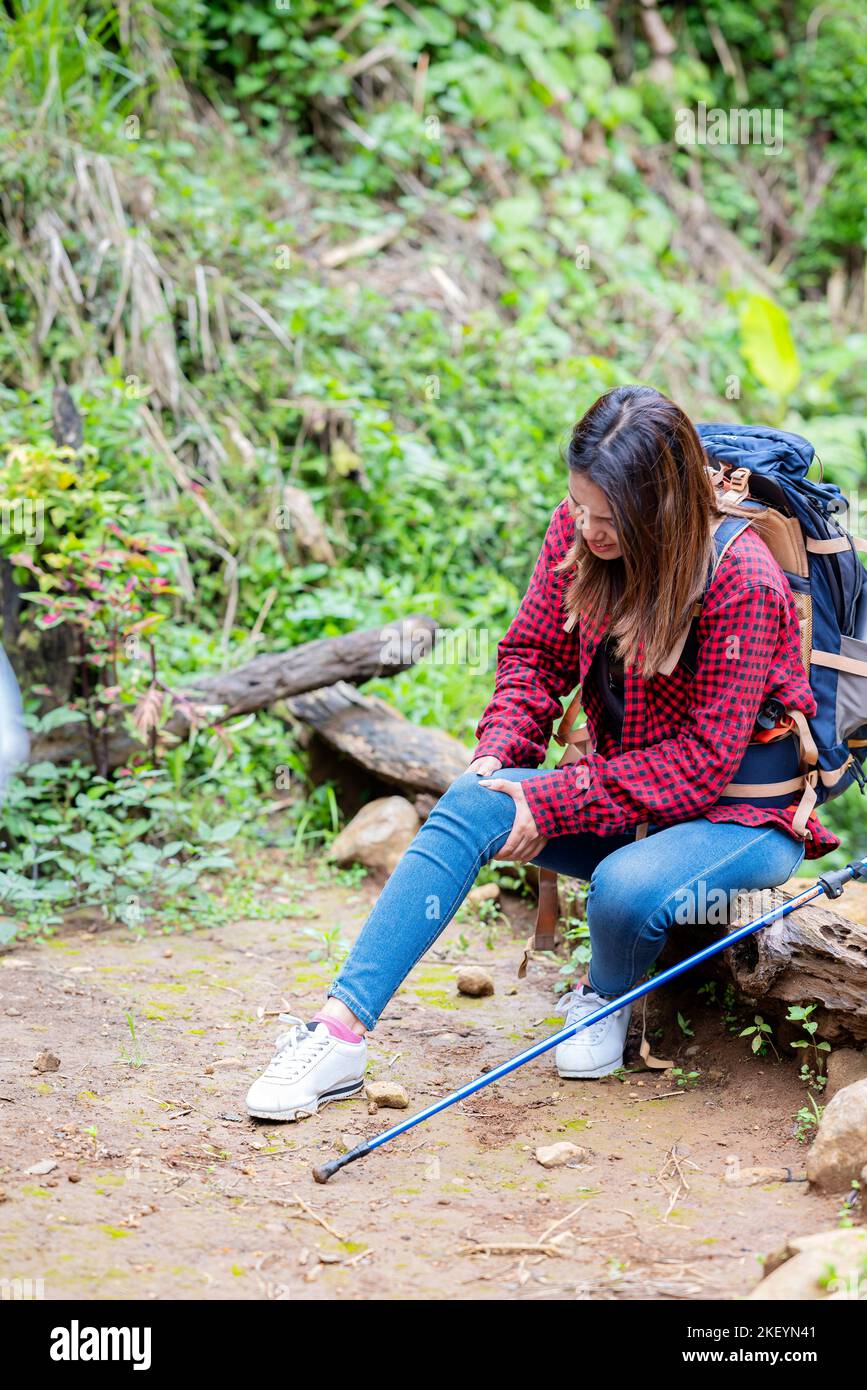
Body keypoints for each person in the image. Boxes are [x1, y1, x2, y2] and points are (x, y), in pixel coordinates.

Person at [245, 384, 837, 1121]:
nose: (586, 529)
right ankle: (337, 1033)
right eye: (579, 507)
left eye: (608, 517)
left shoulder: (740, 580)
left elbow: (700, 764)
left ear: (663, 507)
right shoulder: (581, 529)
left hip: (736, 822)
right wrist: (500, 756)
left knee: (623, 886)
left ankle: (605, 995)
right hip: (627, 795)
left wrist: (548, 797)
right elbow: (533, 656)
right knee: (469, 804)